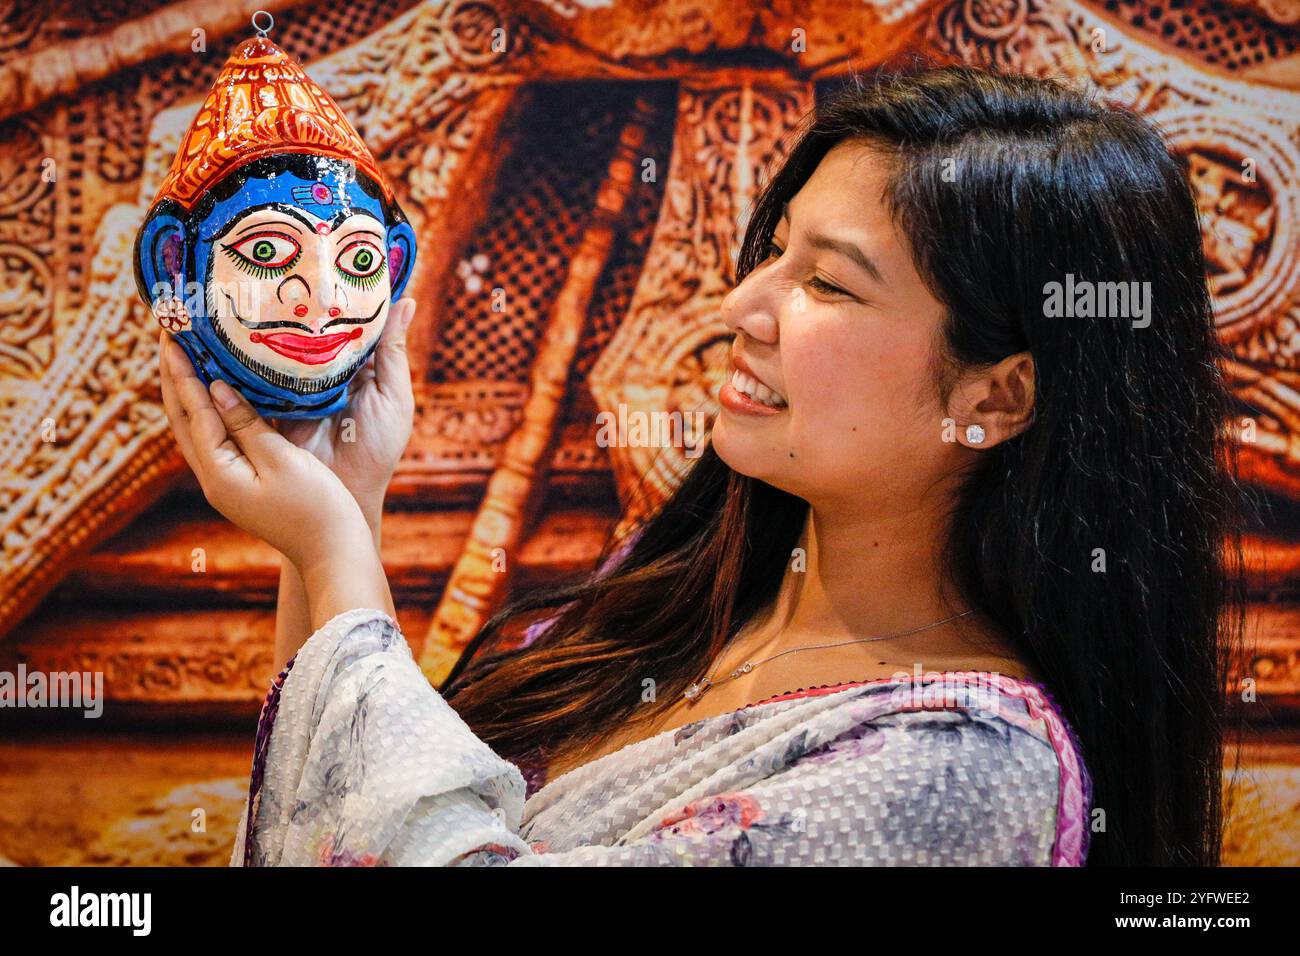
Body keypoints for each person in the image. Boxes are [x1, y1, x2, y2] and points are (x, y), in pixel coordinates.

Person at [158, 64, 1244, 867]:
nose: (743, 308)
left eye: (829, 283)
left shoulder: (965, 767)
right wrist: (339, 513)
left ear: (993, 395)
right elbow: (323, 815)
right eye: (775, 251)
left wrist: (339, 552)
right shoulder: (672, 590)